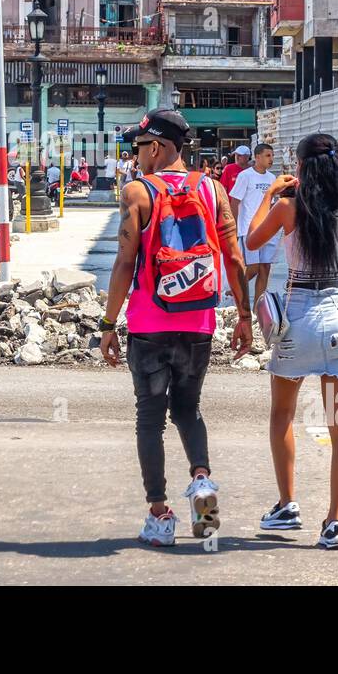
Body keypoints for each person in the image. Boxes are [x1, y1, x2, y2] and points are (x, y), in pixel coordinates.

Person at [99, 109, 253, 547]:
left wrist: (109, 323)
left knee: (150, 419)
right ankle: (202, 485)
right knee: (188, 408)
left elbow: (125, 263)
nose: (136, 156)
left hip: (149, 324)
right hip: (200, 321)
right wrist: (242, 317)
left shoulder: (137, 192)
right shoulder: (213, 189)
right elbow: (234, 257)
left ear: (159, 147)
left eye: (140, 147)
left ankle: (160, 516)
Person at [246, 132, 338, 551]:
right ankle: (334, 523)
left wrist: (271, 195)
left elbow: (253, 240)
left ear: (300, 168)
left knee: (282, 416)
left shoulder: (288, 207)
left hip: (296, 324)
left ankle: (287, 504)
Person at [229, 142, 283, 295]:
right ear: (257, 157)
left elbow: (272, 205)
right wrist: (233, 228)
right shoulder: (245, 176)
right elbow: (235, 201)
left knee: (265, 268)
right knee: (253, 268)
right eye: (267, 155)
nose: (271, 159)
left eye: (272, 156)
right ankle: (236, 288)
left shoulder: (272, 178)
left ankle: (258, 310)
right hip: (249, 229)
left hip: (267, 230)